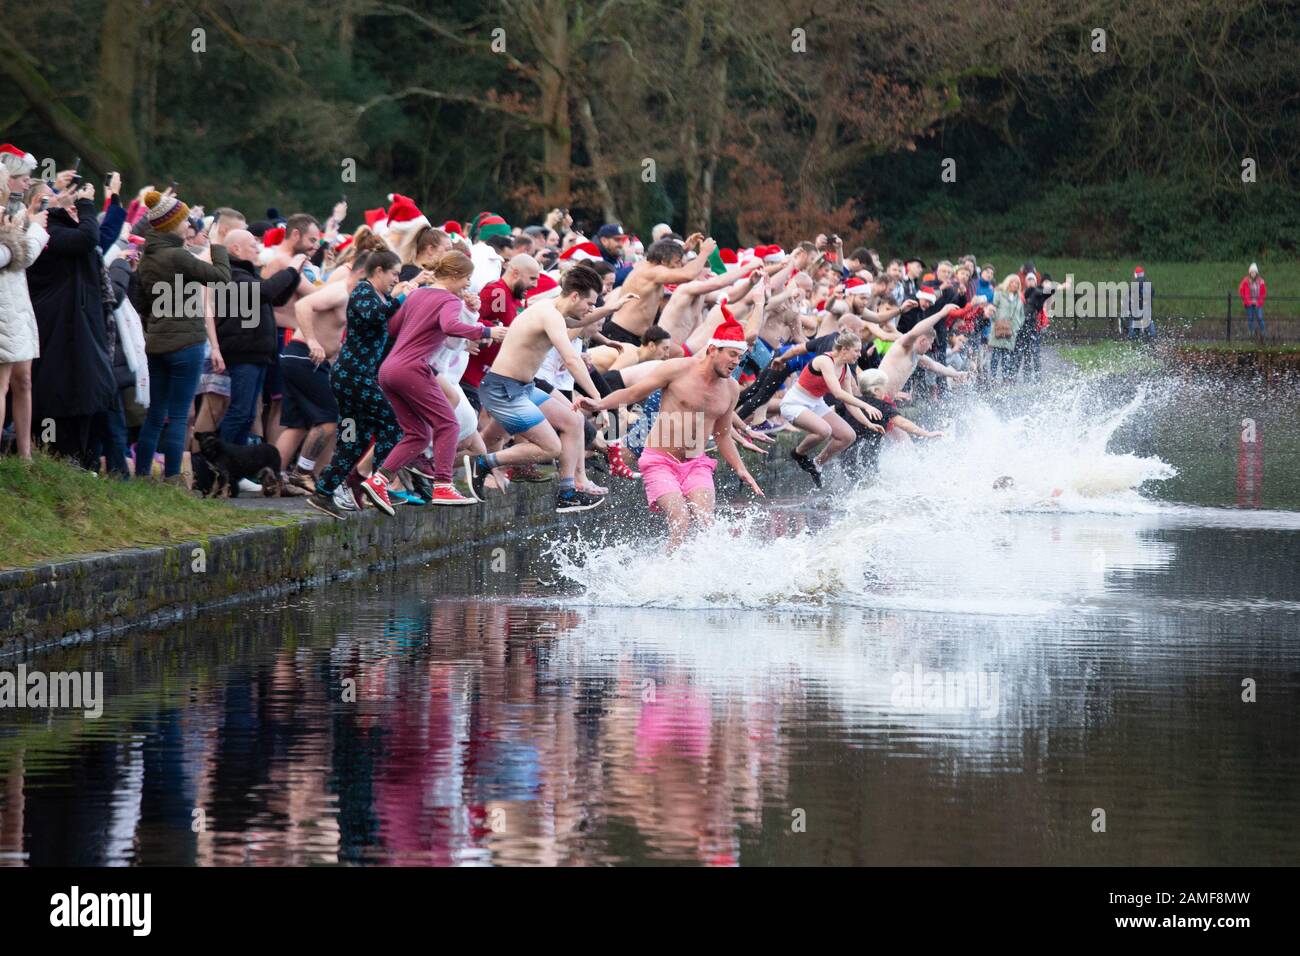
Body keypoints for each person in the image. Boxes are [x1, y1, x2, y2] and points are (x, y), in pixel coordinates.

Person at [578, 311, 763, 550]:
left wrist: (741, 469)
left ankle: (700, 576)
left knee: (707, 523)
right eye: (733, 355)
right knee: (681, 519)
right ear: (713, 350)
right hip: (659, 461)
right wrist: (600, 403)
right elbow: (634, 393)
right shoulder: (677, 369)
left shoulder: (731, 389)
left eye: (741, 357)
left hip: (696, 463)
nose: (737, 362)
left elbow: (723, 434)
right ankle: (665, 577)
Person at [360, 250, 502, 511]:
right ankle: (444, 486)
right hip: (413, 369)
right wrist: (486, 330)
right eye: (467, 279)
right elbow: (450, 327)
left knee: (417, 433)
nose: (468, 285)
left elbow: (391, 327)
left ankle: (379, 480)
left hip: (388, 370)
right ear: (456, 275)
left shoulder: (417, 294)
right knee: (447, 424)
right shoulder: (448, 300)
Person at [472, 263, 608, 513]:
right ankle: (484, 462)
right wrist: (598, 398)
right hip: (503, 389)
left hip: (521, 387)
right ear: (575, 296)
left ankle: (567, 493)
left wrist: (614, 307)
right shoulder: (549, 314)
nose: (591, 310)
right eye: (590, 303)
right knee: (550, 448)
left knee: (573, 421)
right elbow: (571, 359)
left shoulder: (553, 312)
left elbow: (585, 319)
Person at [133, 189, 233, 481]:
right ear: (171, 223)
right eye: (184, 220)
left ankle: (141, 477)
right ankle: (173, 479)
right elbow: (222, 278)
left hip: (156, 344)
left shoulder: (147, 257)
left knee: (155, 415)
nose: (189, 224)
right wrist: (219, 247)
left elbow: (141, 303)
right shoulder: (177, 255)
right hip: (186, 343)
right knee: (178, 416)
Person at [307, 251, 408, 518]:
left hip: (357, 377)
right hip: (354, 377)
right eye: (394, 274)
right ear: (378, 271)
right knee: (392, 427)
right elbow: (375, 316)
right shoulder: (364, 292)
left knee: (354, 440)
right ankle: (379, 484)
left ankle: (324, 492)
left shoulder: (382, 297)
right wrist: (405, 295)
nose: (396, 279)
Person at [27, 182, 118, 469]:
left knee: (85, 397)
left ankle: (80, 463)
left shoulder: (60, 229)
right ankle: (57, 461)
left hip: (76, 329)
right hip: (56, 328)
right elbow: (88, 238)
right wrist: (89, 204)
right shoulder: (46, 233)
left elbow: (96, 237)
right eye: (49, 198)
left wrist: (103, 202)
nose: (62, 202)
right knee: (55, 398)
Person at [215, 229, 307, 448]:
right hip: (242, 352)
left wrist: (294, 274)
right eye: (252, 245)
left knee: (247, 415)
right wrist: (291, 269)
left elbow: (276, 298)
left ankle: (236, 468)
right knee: (239, 412)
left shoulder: (247, 272)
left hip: (255, 353)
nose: (258, 248)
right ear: (235, 248)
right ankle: (219, 466)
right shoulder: (231, 273)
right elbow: (265, 292)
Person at [778, 332, 883, 486]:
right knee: (824, 430)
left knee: (848, 436)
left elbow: (849, 402)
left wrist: (868, 423)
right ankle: (798, 453)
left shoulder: (846, 370)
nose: (859, 355)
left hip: (816, 404)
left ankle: (816, 463)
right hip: (794, 404)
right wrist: (867, 405)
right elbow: (837, 393)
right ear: (844, 349)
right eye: (856, 351)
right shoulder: (824, 361)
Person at [0, 170, 47, 460]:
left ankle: (25, 455)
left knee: (23, 380)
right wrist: (34, 231)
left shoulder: (7, 213)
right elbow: (19, 256)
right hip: (4, 309)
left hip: (17, 306)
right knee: (2, 383)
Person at [603, 235, 716, 345]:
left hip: (632, 336)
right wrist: (705, 252)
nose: (680, 265)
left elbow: (666, 256)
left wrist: (684, 249)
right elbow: (688, 275)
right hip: (621, 334)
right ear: (663, 261)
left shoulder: (650, 264)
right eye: (677, 262)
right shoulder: (652, 271)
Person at [987, 274, 1024, 382]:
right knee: (995, 355)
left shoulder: (1019, 299)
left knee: (1007, 356)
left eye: (1017, 283)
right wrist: (997, 320)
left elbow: (1021, 315)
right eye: (1013, 282)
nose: (1015, 285)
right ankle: (992, 378)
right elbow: (993, 309)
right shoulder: (999, 294)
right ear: (1008, 282)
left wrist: (1017, 325)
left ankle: (1005, 379)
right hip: (999, 328)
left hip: (1012, 331)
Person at [1239, 263, 1266, 337]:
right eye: (1251, 272)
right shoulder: (1245, 281)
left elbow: (1263, 292)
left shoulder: (1261, 281)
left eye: (1254, 272)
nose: (1253, 273)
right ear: (1249, 273)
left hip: (1258, 303)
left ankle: (1263, 333)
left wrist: (1260, 301)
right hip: (1248, 303)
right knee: (1250, 319)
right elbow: (1241, 290)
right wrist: (1245, 299)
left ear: (1256, 273)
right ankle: (1252, 333)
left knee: (1260, 318)